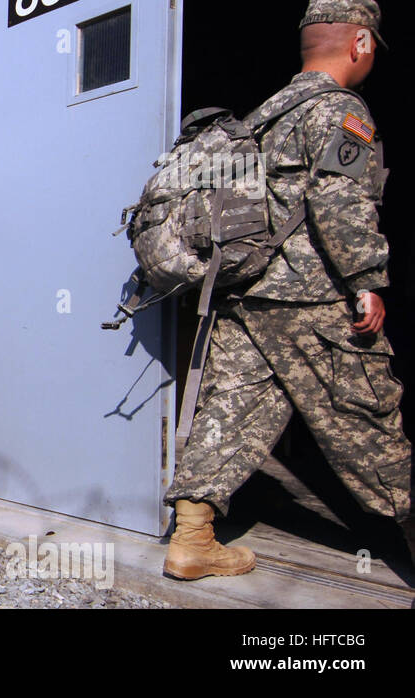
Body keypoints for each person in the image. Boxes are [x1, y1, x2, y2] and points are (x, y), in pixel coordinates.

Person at [163, 0, 414, 579]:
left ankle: (193, 539)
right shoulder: (341, 111)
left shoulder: (263, 115)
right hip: (311, 297)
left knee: (229, 411)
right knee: (369, 421)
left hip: (245, 293)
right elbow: (337, 202)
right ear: (361, 44)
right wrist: (366, 282)